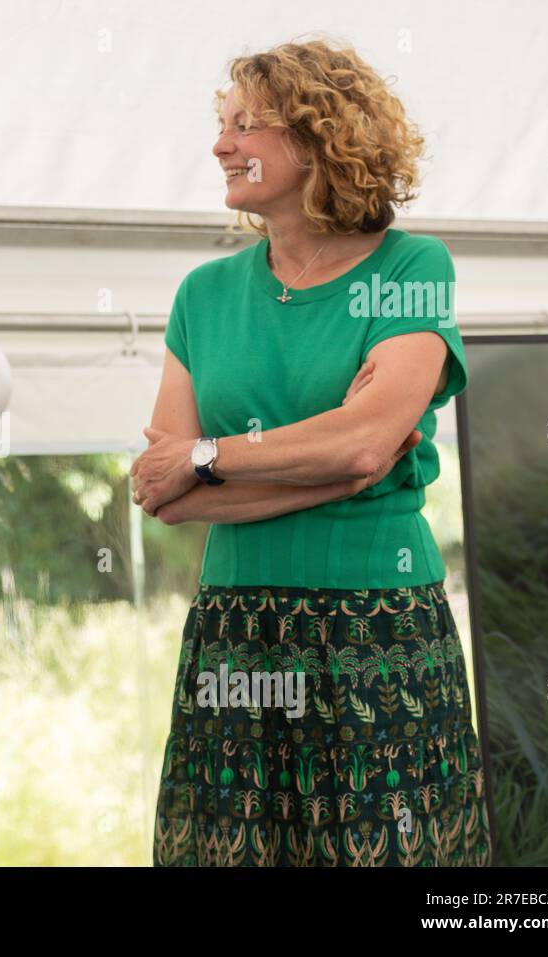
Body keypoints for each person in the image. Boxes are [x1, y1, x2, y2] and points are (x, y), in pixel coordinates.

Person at [132, 39, 491, 866]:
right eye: (221, 125)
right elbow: (166, 491)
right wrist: (335, 460)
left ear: (320, 136)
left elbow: (362, 444)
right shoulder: (203, 295)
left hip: (379, 630)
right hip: (234, 630)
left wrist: (210, 453)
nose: (221, 143)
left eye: (246, 124)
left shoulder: (413, 266)